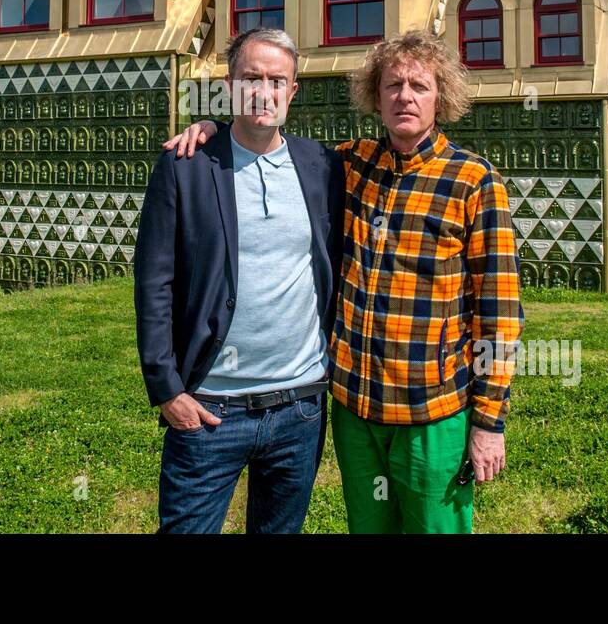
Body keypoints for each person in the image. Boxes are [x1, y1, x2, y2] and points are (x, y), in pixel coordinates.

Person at [165, 29, 524, 533]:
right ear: (374, 95)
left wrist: (488, 421)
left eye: (420, 86)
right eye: (393, 85)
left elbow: (500, 312)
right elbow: (264, 136)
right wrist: (211, 129)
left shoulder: (474, 180)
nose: (405, 97)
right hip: (356, 406)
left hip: (433, 408)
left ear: (441, 95)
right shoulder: (347, 165)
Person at [134, 27, 344, 533]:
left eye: (277, 80)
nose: (263, 92)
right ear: (229, 84)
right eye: (251, 77)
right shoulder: (186, 165)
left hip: (300, 407)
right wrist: (166, 389)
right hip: (208, 409)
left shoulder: (323, 166)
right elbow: (154, 281)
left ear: (293, 91)